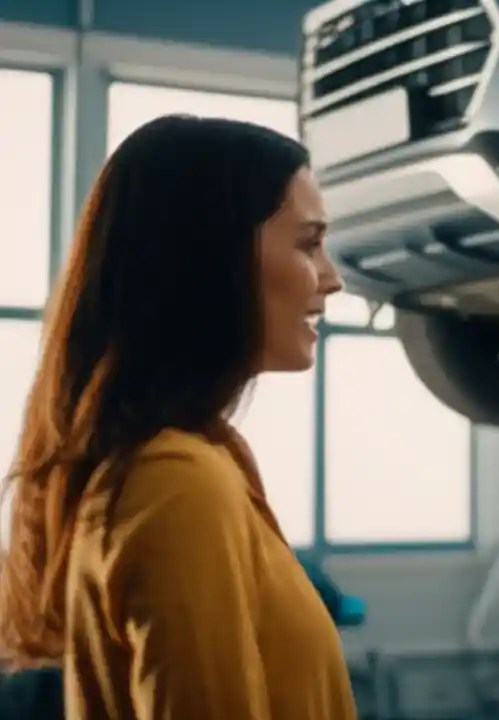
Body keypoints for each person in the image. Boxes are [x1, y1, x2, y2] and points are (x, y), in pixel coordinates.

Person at [0, 114, 356, 720]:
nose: (333, 279)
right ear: (212, 259)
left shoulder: (197, 461)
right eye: (307, 243)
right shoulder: (174, 481)